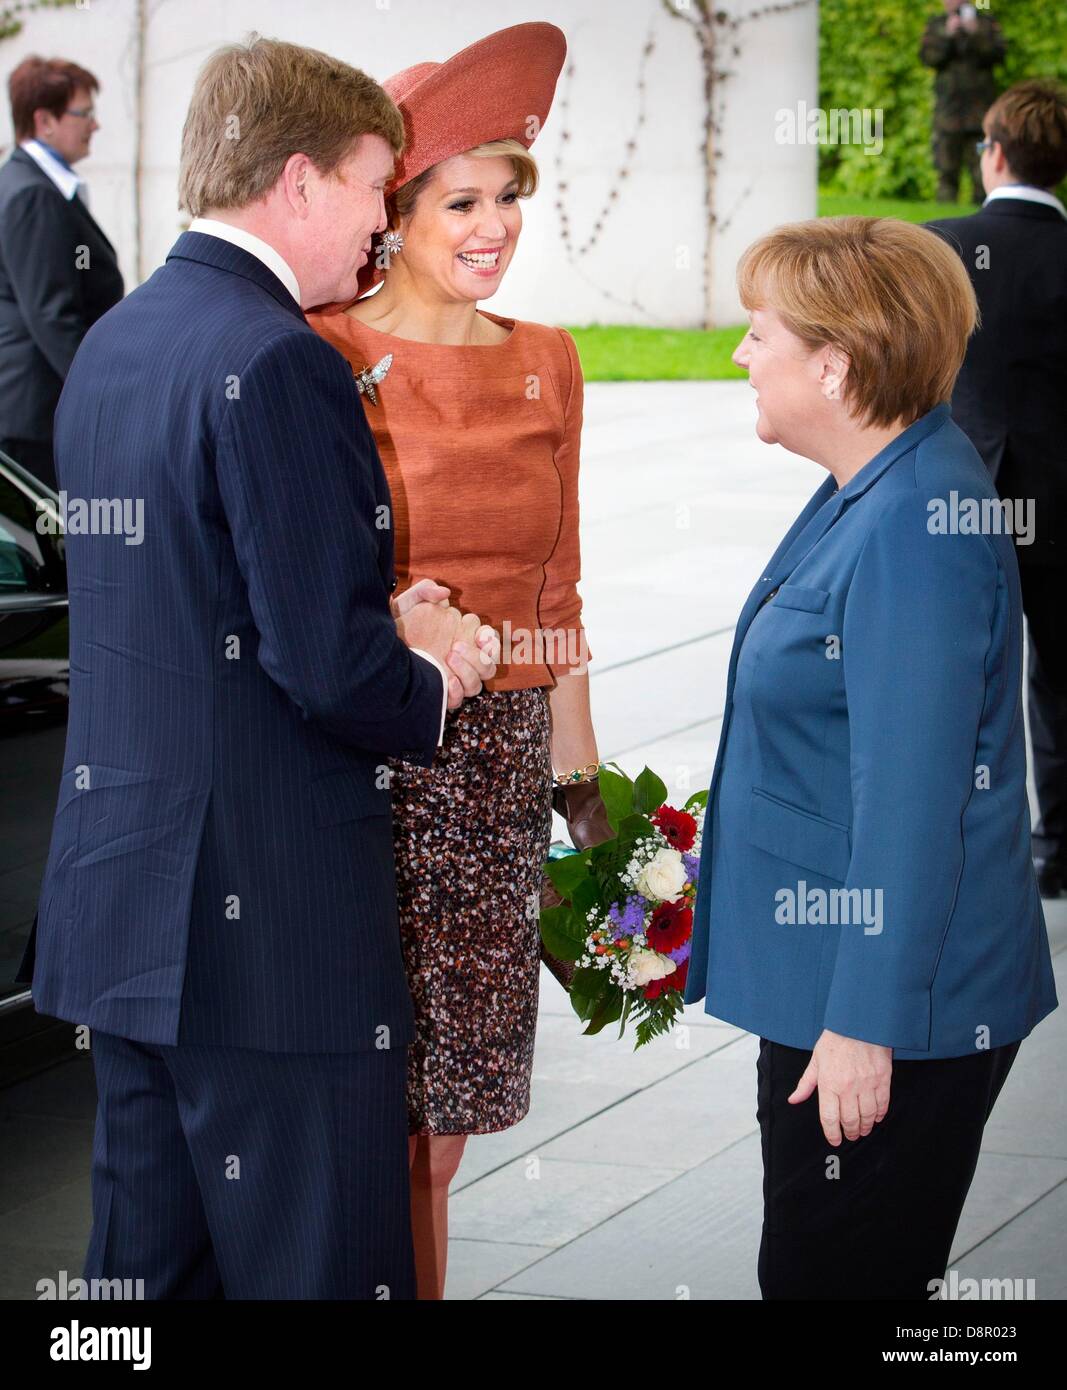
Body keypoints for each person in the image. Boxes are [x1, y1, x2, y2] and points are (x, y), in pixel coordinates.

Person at [16, 35, 499, 1300]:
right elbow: (328, 675)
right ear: (297, 181)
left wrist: (357, 617)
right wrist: (436, 666)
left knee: (139, 1283)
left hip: (120, 915)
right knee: (316, 1270)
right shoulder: (284, 358)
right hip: (267, 938)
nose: (382, 227)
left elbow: (193, 599)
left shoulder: (117, 341)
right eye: (373, 188)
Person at [684, 216, 1057, 1300]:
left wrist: (860, 1026)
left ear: (834, 365)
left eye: (759, 334)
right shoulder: (882, 477)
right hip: (848, 980)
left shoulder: (909, 526)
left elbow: (911, 802)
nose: (741, 355)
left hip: (886, 1006)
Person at [308, 22, 606, 1300]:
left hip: (500, 776)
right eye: (463, 201)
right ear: (395, 210)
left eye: (509, 199)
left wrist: (588, 798)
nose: (494, 227)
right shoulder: (322, 352)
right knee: (381, 1121)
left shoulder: (547, 359)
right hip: (375, 770)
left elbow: (558, 587)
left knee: (454, 1120)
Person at [928, 80, 1067, 899]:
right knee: (1060, 682)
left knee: (956, 687)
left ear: (994, 153)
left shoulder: (939, 246)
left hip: (957, 502)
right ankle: (1059, 854)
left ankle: (966, 856)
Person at [0, 56, 123, 489]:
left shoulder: (30, 183)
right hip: (37, 414)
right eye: (84, 114)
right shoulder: (33, 195)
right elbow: (52, 316)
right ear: (44, 120)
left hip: (40, 408)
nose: (95, 125)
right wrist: (107, 400)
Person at [920, 0, 1006, 203]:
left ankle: (983, 216)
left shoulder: (986, 23)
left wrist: (975, 33)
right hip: (948, 114)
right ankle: (943, 222)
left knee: (983, 173)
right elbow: (928, 58)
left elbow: (999, 55)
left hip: (980, 115)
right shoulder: (937, 24)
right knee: (946, 173)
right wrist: (947, 36)